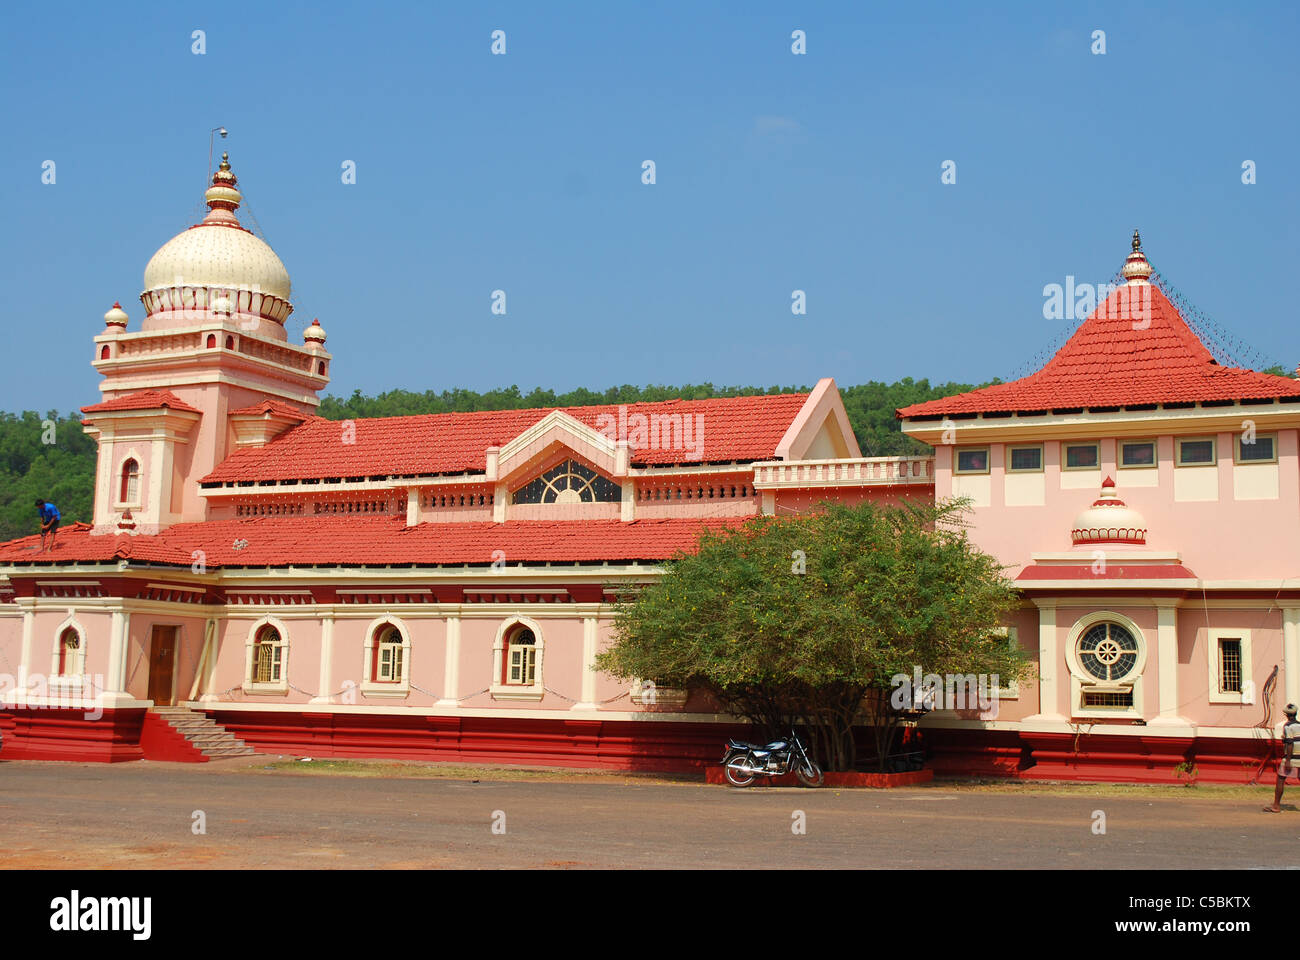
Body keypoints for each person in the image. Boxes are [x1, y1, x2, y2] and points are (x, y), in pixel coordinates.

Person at [1264, 703, 1300, 813]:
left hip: (1292, 757)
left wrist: (1288, 760)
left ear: (1286, 714)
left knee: (1280, 779)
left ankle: (1276, 805)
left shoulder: (1288, 726)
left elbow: (1290, 743)